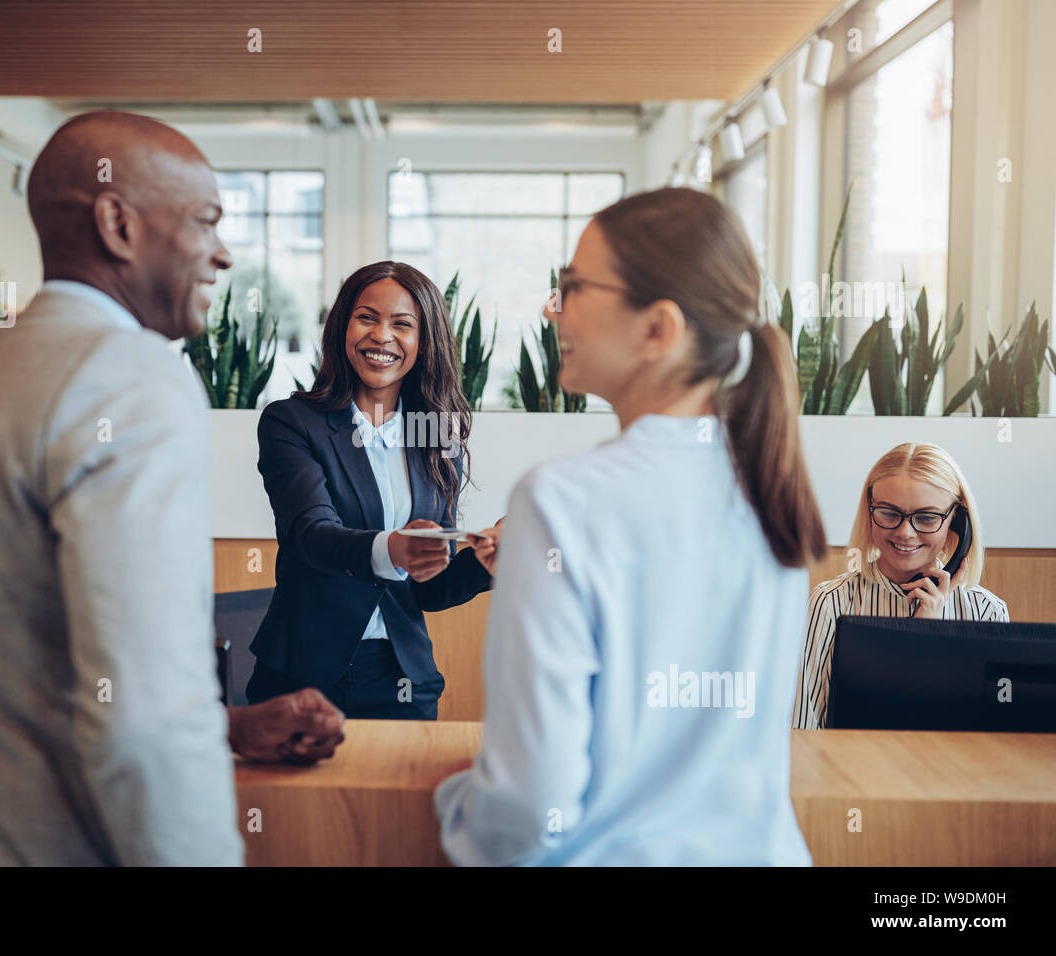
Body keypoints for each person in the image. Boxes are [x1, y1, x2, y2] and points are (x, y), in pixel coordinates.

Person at [0, 112, 345, 867]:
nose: (223, 254)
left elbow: (26, 677)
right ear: (117, 223)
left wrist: (222, 725)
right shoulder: (130, 379)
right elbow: (142, 719)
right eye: (205, 222)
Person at [434, 187, 827, 865]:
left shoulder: (560, 501)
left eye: (574, 287)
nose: (553, 309)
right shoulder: (773, 488)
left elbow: (525, 812)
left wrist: (456, 802)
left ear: (658, 330)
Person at [247, 261, 500, 720]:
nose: (381, 336)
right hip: (304, 680)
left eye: (402, 324)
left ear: (424, 342)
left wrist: (483, 565)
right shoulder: (292, 422)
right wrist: (394, 548)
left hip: (404, 677)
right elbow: (311, 533)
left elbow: (428, 588)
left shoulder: (436, 436)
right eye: (367, 317)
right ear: (343, 327)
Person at [793, 442, 1009, 729]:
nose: (905, 532)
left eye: (927, 517)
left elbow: (994, 738)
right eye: (888, 513)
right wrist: (916, 635)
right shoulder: (831, 603)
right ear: (869, 511)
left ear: (957, 522)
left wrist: (931, 629)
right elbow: (802, 731)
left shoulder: (986, 613)